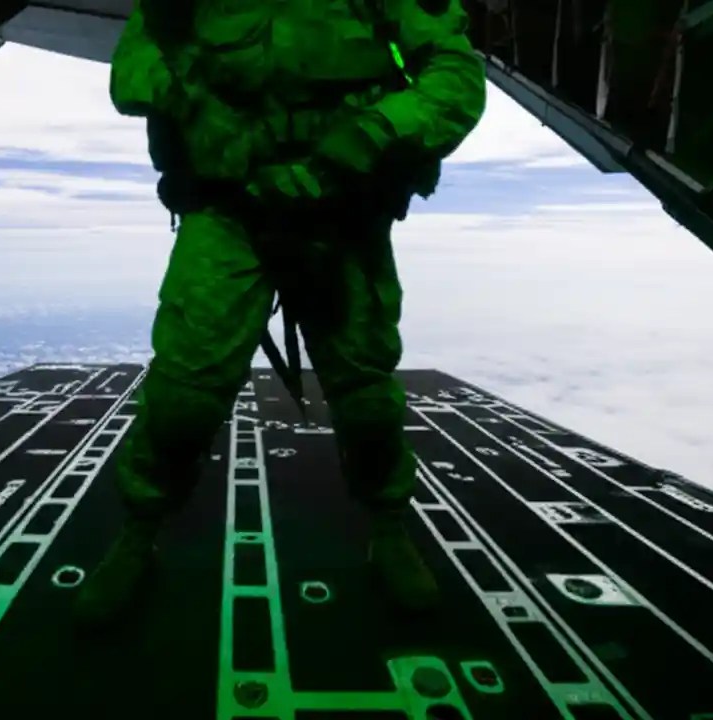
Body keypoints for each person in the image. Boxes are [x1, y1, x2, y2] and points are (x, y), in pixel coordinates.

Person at [73, 0, 487, 626]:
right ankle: (139, 529)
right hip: (229, 205)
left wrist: (370, 135)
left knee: (367, 398)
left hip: (343, 207)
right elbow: (135, 63)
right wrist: (196, 112)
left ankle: (388, 526)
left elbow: (454, 75)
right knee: (183, 394)